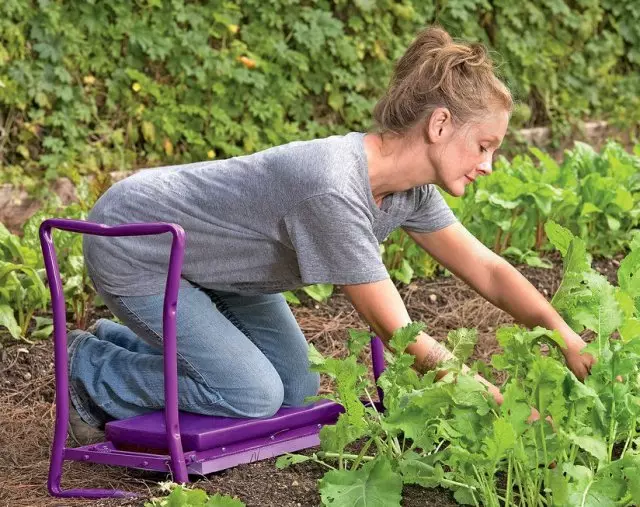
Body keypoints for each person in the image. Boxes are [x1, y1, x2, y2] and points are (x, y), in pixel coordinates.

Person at [67, 26, 595, 444]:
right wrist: (500, 406)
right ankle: (86, 368)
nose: (490, 164)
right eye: (484, 145)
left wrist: (563, 334)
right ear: (439, 125)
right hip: (138, 243)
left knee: (294, 389)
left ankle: (133, 340)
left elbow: (489, 269)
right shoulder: (333, 191)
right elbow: (402, 333)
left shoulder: (409, 190)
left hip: (211, 262)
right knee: (249, 393)